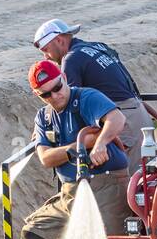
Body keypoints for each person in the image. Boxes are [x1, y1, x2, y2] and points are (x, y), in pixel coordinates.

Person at [17, 58, 128, 239]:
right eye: (46, 94)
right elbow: (46, 158)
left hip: (106, 184)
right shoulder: (44, 117)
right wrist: (77, 147)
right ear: (38, 95)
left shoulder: (86, 98)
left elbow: (117, 119)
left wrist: (99, 144)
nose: (55, 96)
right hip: (70, 191)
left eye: (57, 87)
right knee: (34, 231)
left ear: (64, 79)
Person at [32, 18, 150, 171]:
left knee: (128, 183)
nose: (46, 57)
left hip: (123, 124)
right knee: (143, 183)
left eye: (46, 50)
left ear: (59, 40)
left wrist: (43, 130)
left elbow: (68, 102)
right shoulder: (96, 47)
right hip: (138, 116)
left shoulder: (71, 59)